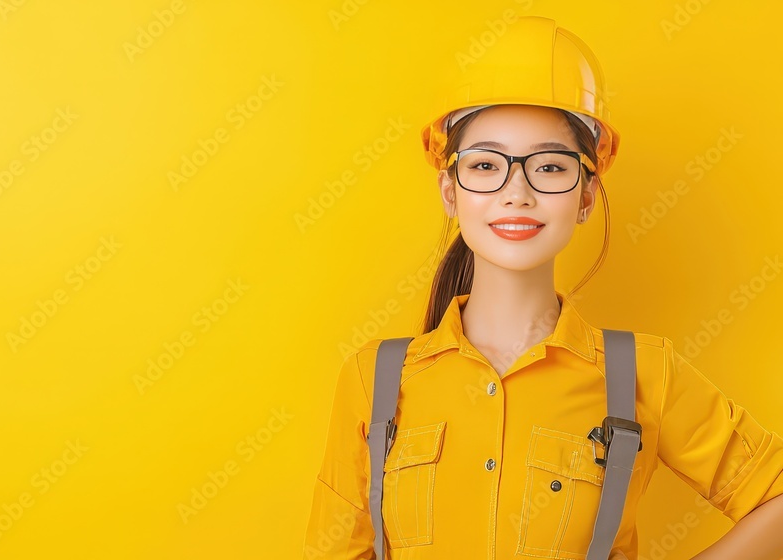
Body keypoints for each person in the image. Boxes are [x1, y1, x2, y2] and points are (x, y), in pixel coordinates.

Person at [301, 15, 783, 560]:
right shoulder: (375, 379)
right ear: (449, 191)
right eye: (486, 165)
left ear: (585, 194)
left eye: (550, 168)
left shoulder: (646, 373)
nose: (517, 192)